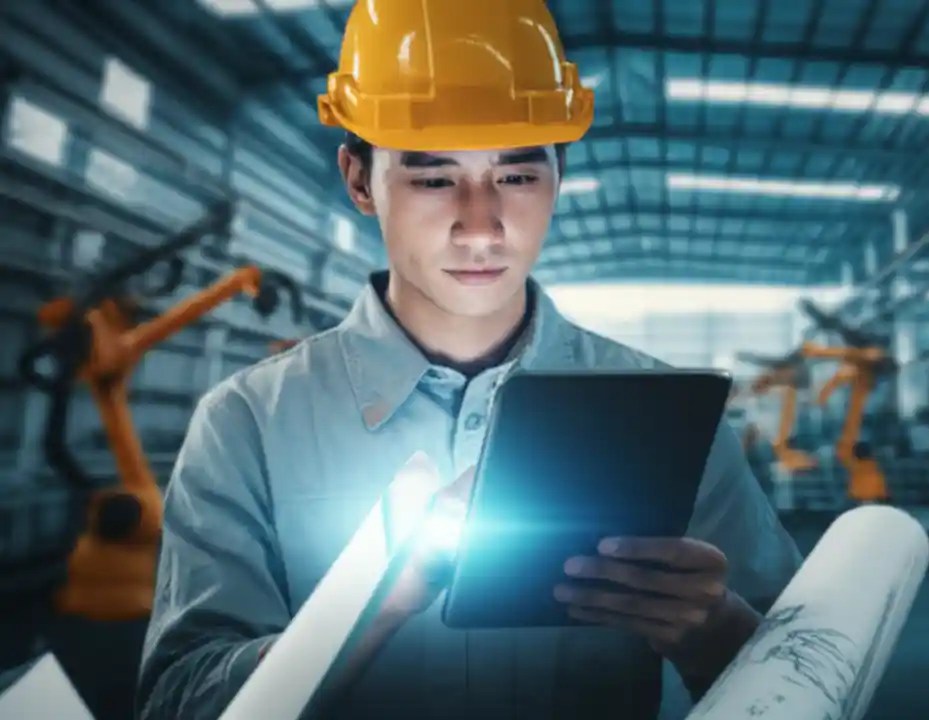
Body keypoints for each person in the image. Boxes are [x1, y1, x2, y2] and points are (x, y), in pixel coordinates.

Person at [135, 1, 802, 718]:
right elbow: (179, 701)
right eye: (433, 178)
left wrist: (716, 631)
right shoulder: (248, 425)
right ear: (358, 180)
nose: (481, 227)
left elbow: (807, 680)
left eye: (516, 177)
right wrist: (360, 609)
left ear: (559, 174)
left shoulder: (670, 419)